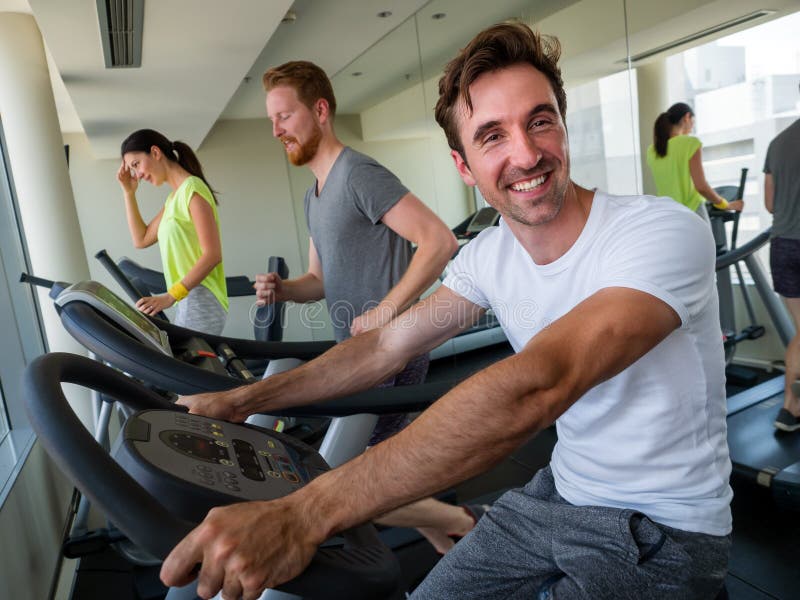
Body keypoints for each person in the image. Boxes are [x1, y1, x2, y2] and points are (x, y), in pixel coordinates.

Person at [161, 22, 732, 600]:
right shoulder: (488, 257)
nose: (526, 153)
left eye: (540, 121)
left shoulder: (660, 230)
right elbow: (384, 347)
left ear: (563, 126)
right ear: (463, 166)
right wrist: (242, 400)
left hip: (663, 530)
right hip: (557, 494)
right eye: (492, 136)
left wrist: (302, 514)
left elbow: (540, 384)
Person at [257, 61, 472, 553]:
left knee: (351, 480)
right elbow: (319, 281)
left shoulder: (358, 174)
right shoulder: (313, 197)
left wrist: (386, 310)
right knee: (375, 469)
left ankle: (457, 519)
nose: (276, 131)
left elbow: (438, 241)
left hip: (390, 349)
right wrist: (284, 289)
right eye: (272, 120)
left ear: (320, 110)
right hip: (356, 354)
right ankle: (447, 535)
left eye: (284, 116)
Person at [117, 129, 228, 335]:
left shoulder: (192, 189)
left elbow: (212, 255)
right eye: (132, 168)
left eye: (136, 164)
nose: (137, 174)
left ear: (155, 152)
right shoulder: (173, 200)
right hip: (187, 299)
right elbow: (141, 239)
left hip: (200, 298)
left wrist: (170, 296)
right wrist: (129, 193)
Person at [764, 86, 800, 432]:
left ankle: (791, 408)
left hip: (783, 247)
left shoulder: (777, 143)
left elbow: (770, 204)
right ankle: (790, 406)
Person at [647, 102, 744, 222]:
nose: (692, 127)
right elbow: (701, 187)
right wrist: (726, 205)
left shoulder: (652, 151)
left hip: (668, 215)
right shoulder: (690, 143)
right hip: (692, 211)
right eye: (693, 121)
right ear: (687, 117)